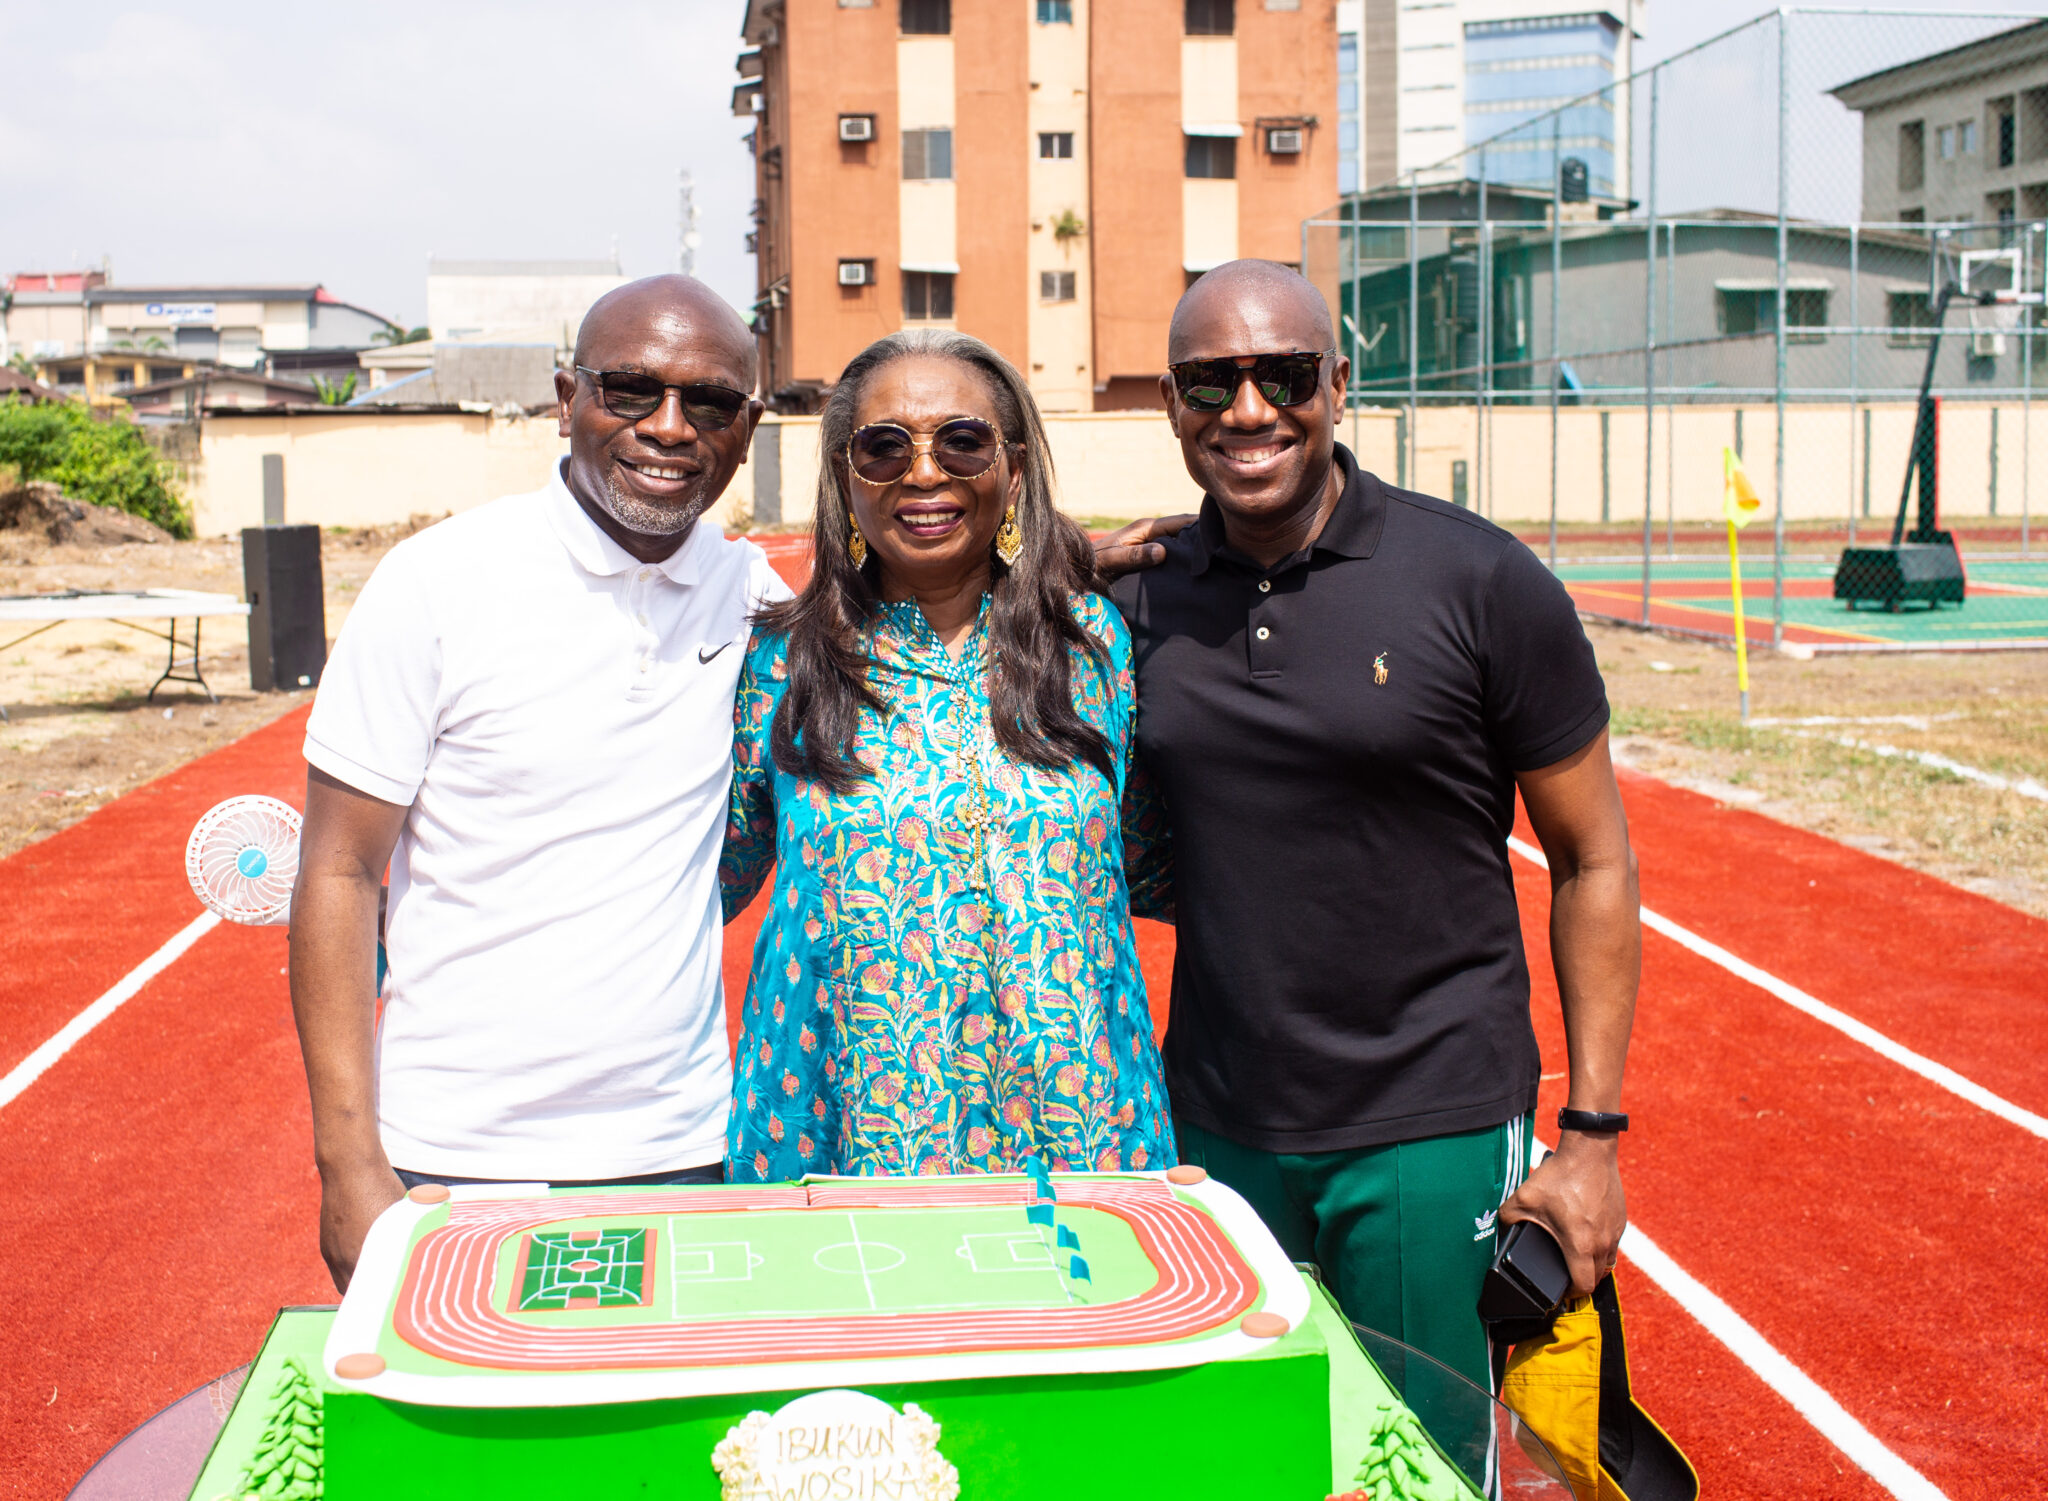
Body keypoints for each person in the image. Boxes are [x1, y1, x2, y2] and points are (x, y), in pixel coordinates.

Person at [1110, 261, 1637, 1421]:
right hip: (1211, 1125)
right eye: (1211, 383)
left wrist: (1590, 1137)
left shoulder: (1479, 579)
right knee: (1239, 1465)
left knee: (1421, 1471)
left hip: (1427, 1125)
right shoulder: (1137, 597)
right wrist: (1041, 560)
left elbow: (1593, 859)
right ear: (1170, 404)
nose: (1248, 410)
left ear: (1338, 385)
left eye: (1284, 375)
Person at [289, 275, 789, 1290]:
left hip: (683, 1145)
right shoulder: (437, 583)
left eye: (708, 402)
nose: (668, 427)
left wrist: (1037, 560)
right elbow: (339, 871)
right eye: (629, 390)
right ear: (567, 399)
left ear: (746, 429)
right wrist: (347, 1162)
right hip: (453, 1153)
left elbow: (918, 607)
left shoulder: (751, 597)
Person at [718, 329, 1173, 1180]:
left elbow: (1151, 861)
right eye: (883, 448)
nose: (924, 473)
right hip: (846, 1154)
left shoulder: (1093, 644)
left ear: (1015, 469)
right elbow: (704, 880)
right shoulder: (784, 661)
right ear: (846, 480)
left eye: (962, 441)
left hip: (1084, 1147)